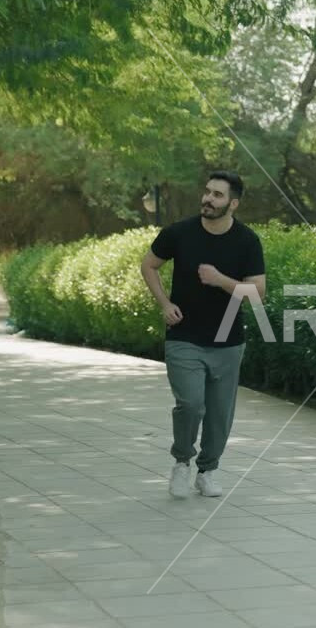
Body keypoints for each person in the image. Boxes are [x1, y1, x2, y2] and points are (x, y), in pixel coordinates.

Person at [139, 171, 265, 498]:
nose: (208, 199)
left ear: (233, 203)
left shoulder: (247, 241)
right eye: (207, 192)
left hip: (228, 341)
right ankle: (182, 462)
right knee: (191, 404)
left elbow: (257, 293)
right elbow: (148, 265)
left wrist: (220, 279)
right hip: (184, 337)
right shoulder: (179, 233)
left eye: (218, 195)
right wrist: (165, 304)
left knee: (220, 414)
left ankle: (208, 471)